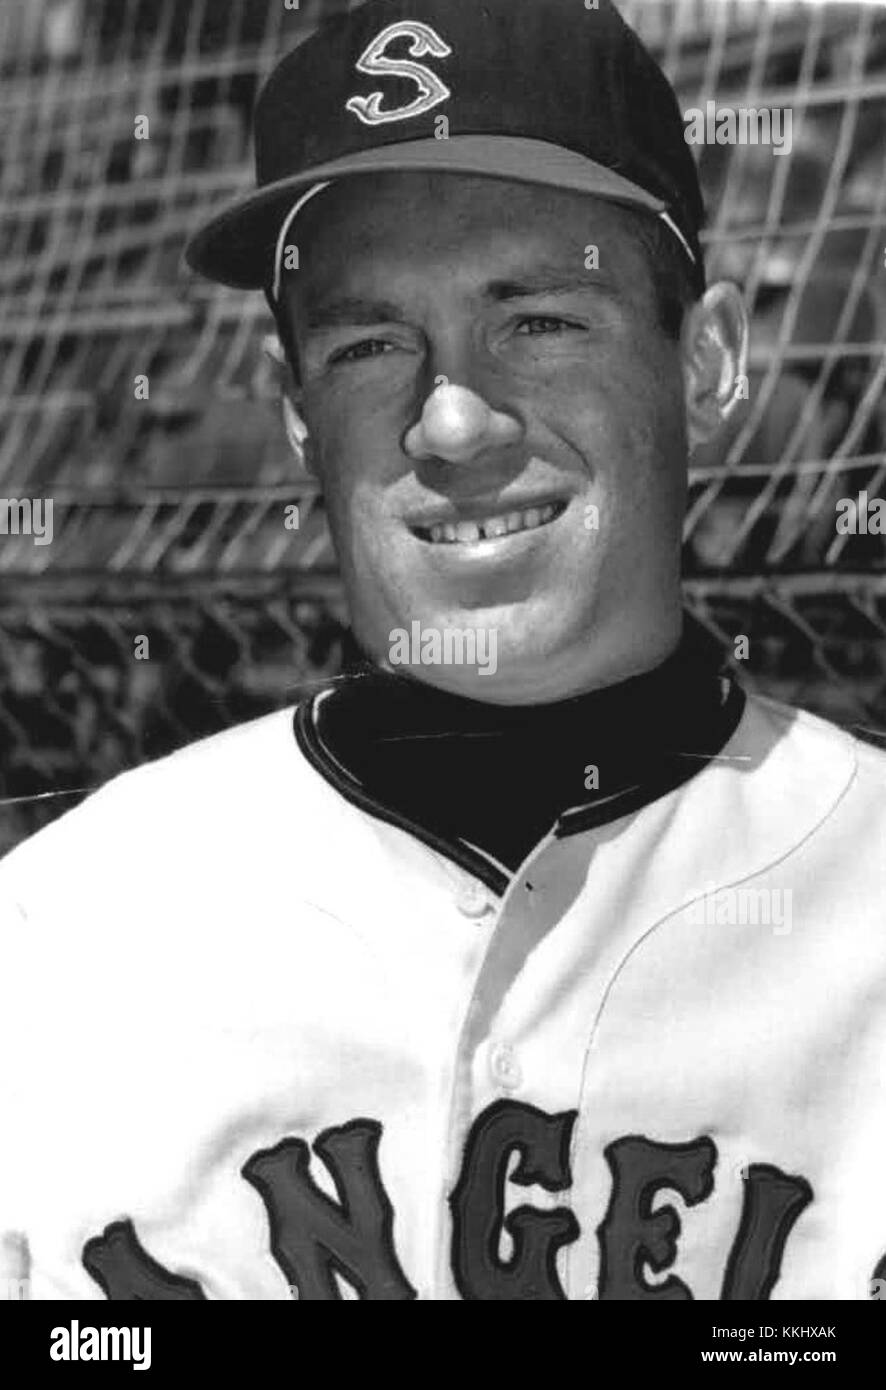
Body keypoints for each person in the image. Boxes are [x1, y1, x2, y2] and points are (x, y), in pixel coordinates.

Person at [3, 0, 886, 1302]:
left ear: (704, 358)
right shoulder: (60, 936)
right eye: (371, 344)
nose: (455, 421)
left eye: (537, 320)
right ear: (295, 414)